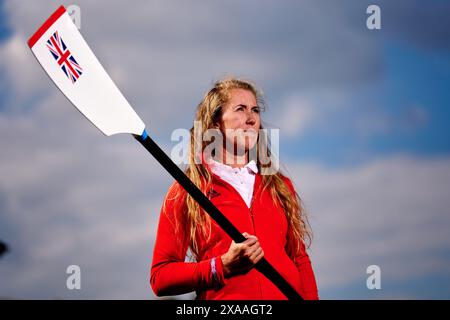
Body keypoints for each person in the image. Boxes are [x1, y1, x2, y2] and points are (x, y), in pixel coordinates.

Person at [150, 78, 318, 300]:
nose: (251, 118)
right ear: (215, 123)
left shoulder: (278, 185)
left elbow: (299, 259)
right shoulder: (186, 191)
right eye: (240, 109)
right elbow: (161, 278)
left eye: (255, 110)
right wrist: (221, 266)